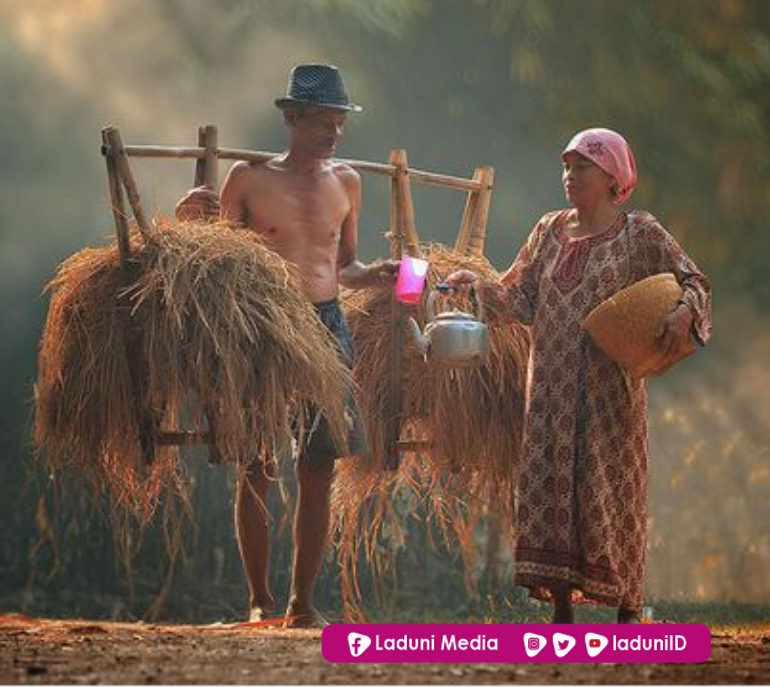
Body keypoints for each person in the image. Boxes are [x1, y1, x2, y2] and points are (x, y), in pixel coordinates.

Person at [444, 128, 712, 624]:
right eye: (566, 166)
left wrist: (682, 311)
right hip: (549, 386)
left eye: (582, 167)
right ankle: (561, 608)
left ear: (614, 178)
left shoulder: (640, 233)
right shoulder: (548, 230)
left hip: (610, 390)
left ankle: (628, 608)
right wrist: (473, 288)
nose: (569, 176)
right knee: (550, 485)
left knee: (610, 485)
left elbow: (693, 279)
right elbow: (518, 297)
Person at [175, 64, 398, 627]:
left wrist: (380, 275)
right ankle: (259, 600)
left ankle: (302, 601)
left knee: (320, 463)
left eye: (340, 120)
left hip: (326, 325)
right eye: (324, 119)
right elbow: (213, 258)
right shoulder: (250, 179)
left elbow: (344, 266)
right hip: (261, 326)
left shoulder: (346, 181)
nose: (334, 131)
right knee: (256, 460)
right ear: (291, 117)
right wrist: (186, 222)